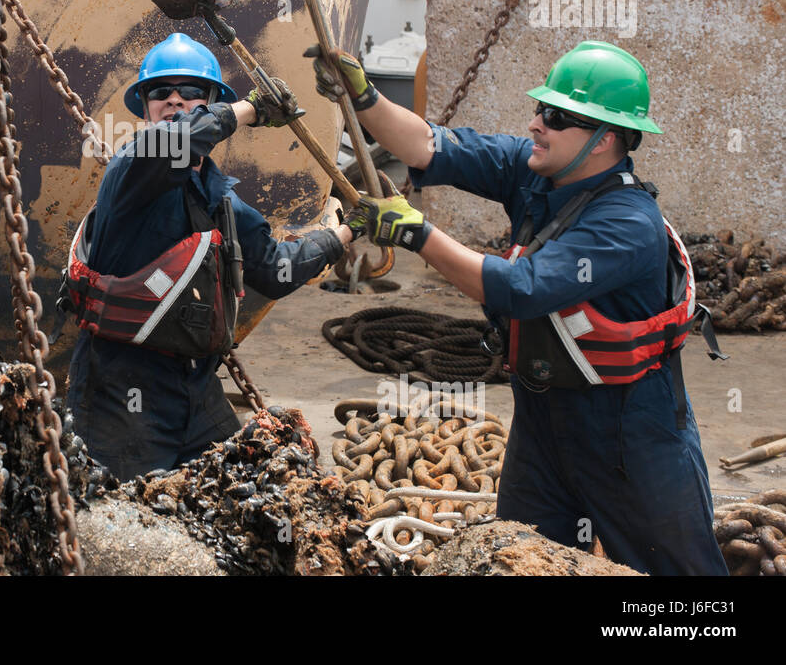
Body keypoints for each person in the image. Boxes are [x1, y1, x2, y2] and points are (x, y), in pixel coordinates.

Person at [308, 39, 727, 576]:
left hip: (630, 434)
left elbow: (520, 288)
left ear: (606, 139)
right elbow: (429, 148)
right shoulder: (537, 174)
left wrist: (417, 234)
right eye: (538, 108)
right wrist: (361, 98)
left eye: (555, 116)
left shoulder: (626, 223)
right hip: (543, 423)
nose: (536, 123)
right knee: (521, 558)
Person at [59, 32, 357, 482]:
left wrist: (348, 232)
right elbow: (178, 142)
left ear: (211, 97)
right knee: (129, 528)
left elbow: (277, 270)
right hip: (119, 393)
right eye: (161, 92)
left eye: (192, 91)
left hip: (196, 390)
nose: (176, 100)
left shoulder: (224, 206)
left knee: (236, 499)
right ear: (146, 108)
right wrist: (252, 109)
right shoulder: (134, 170)